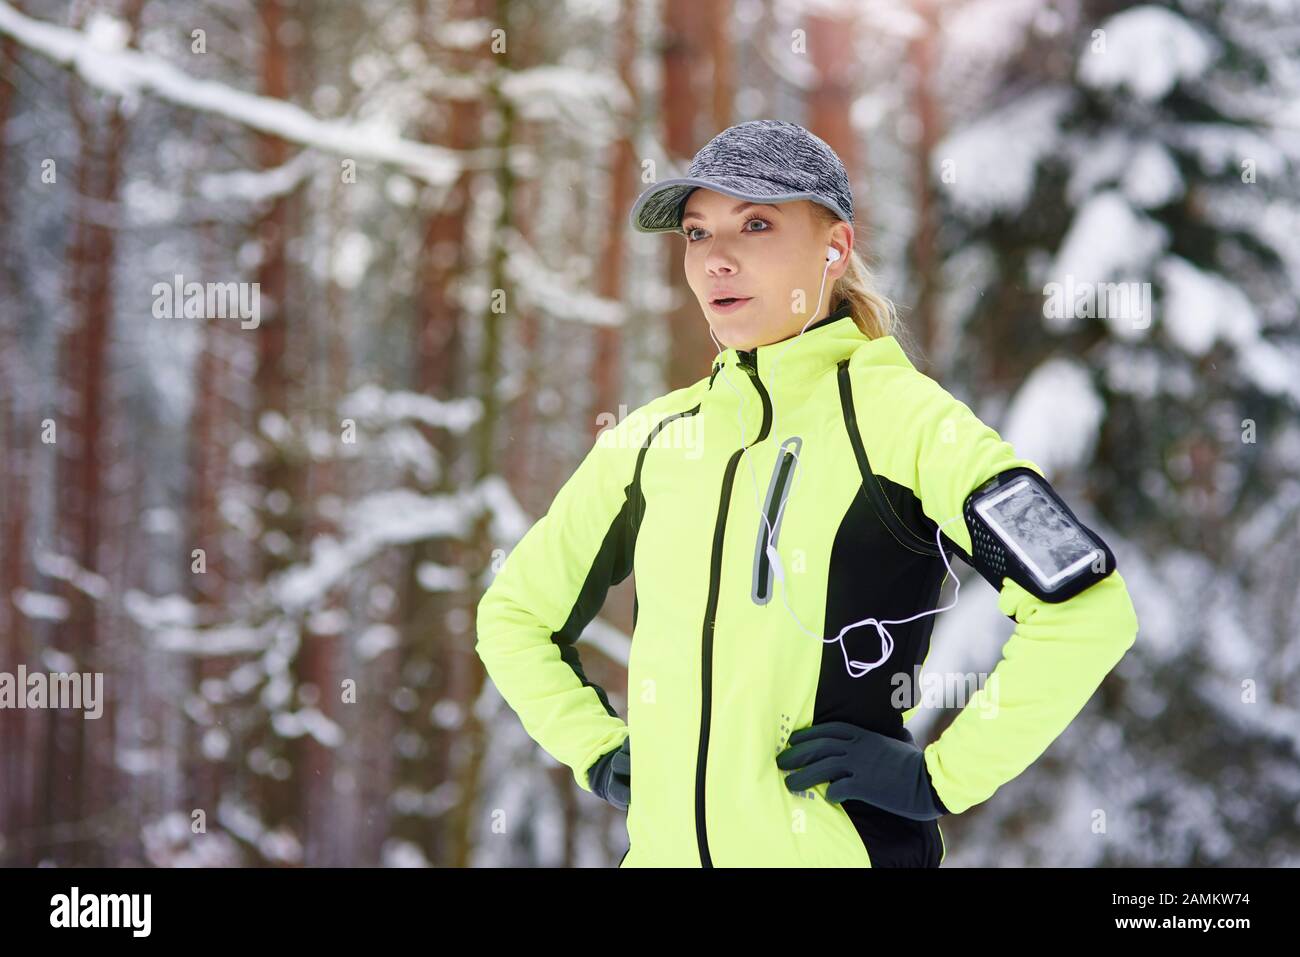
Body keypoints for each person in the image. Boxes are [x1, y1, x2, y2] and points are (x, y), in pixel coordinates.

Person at [475, 119, 1139, 867]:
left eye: (755, 224)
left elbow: (1087, 608)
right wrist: (597, 750)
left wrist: (942, 778)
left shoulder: (910, 424)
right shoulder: (655, 439)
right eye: (697, 234)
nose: (716, 260)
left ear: (835, 247)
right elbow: (514, 616)